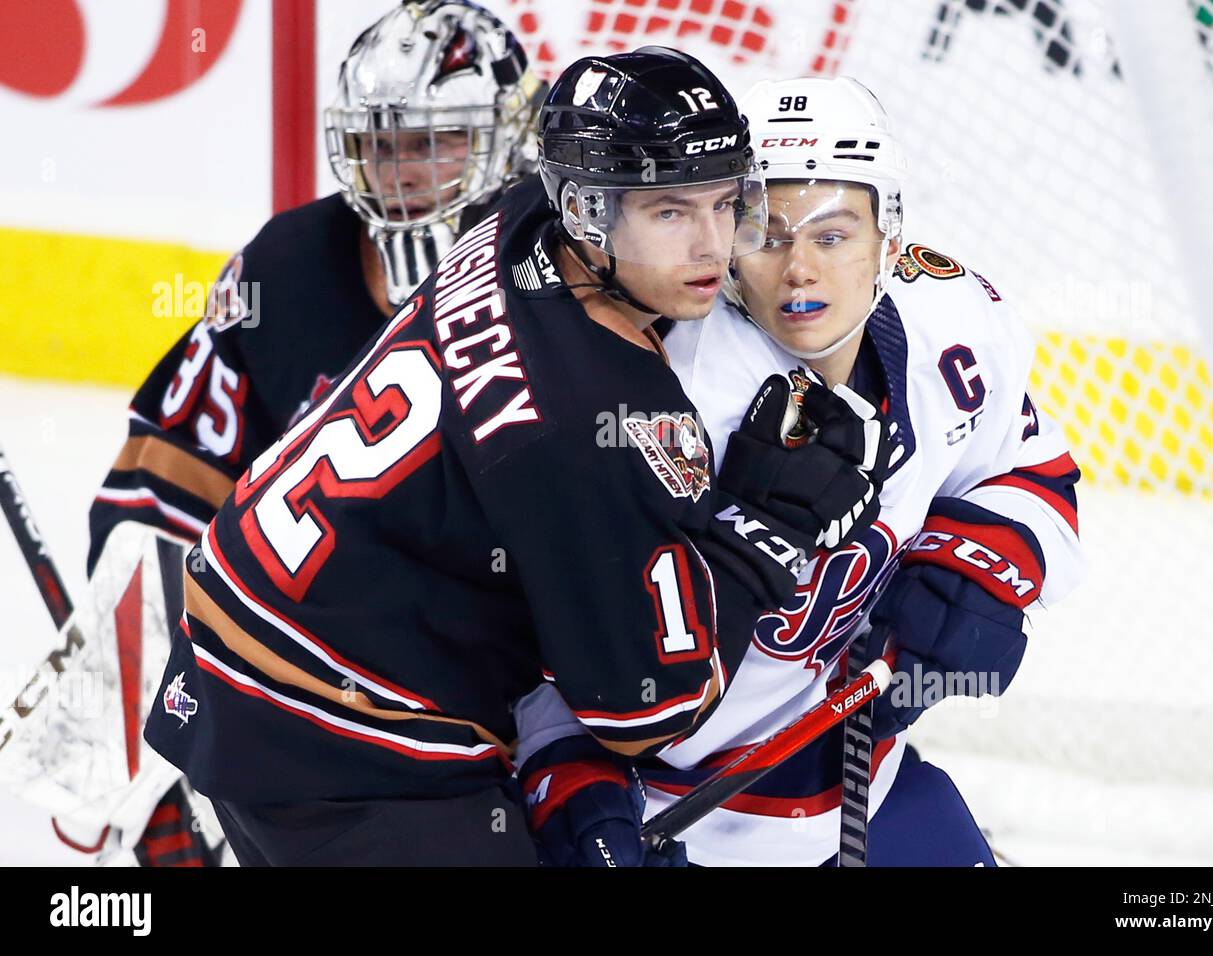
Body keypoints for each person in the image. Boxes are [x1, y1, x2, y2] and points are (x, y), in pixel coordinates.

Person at [139, 48, 891, 866]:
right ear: (588, 209)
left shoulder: (513, 217)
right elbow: (647, 710)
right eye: (670, 214)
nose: (713, 246)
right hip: (345, 748)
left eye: (725, 202)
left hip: (236, 646)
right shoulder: (586, 426)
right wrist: (764, 527)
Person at [514, 76, 1084, 866]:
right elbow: (533, 629)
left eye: (833, 234)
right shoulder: (658, 394)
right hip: (666, 807)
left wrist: (980, 570)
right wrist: (572, 789)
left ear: (889, 236)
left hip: (859, 787)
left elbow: (1032, 467)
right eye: (767, 232)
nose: (799, 270)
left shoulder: (956, 327)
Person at [39, 0, 544, 867]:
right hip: (307, 680)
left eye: (434, 143)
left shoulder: (560, 272)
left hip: (503, 672)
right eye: (382, 144)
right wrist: (159, 728)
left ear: (511, 134)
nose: (402, 175)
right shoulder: (288, 266)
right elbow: (162, 491)